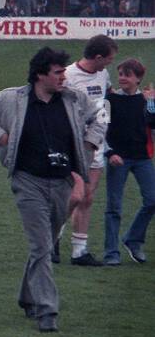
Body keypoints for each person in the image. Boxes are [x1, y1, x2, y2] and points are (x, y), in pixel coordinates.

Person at [0, 47, 106, 332]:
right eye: (58, 72)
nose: (63, 77)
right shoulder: (12, 98)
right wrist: (0, 135)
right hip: (28, 181)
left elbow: (100, 118)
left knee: (43, 242)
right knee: (43, 245)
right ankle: (47, 311)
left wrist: (90, 144)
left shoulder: (73, 98)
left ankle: (27, 296)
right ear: (40, 74)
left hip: (63, 181)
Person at [62, 34, 117, 265]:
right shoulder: (67, 76)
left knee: (88, 198)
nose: (111, 63)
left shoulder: (102, 74)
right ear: (98, 57)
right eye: (109, 59)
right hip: (74, 143)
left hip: (97, 141)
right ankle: (52, 236)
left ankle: (79, 251)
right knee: (74, 196)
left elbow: (108, 97)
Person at [102, 58, 155, 264]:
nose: (123, 78)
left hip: (142, 158)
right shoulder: (109, 99)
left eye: (128, 75)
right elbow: (101, 129)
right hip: (118, 158)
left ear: (138, 78)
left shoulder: (147, 100)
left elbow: (152, 123)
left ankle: (133, 239)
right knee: (113, 207)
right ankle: (111, 253)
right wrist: (109, 153)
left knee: (152, 200)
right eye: (121, 74)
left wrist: (150, 101)